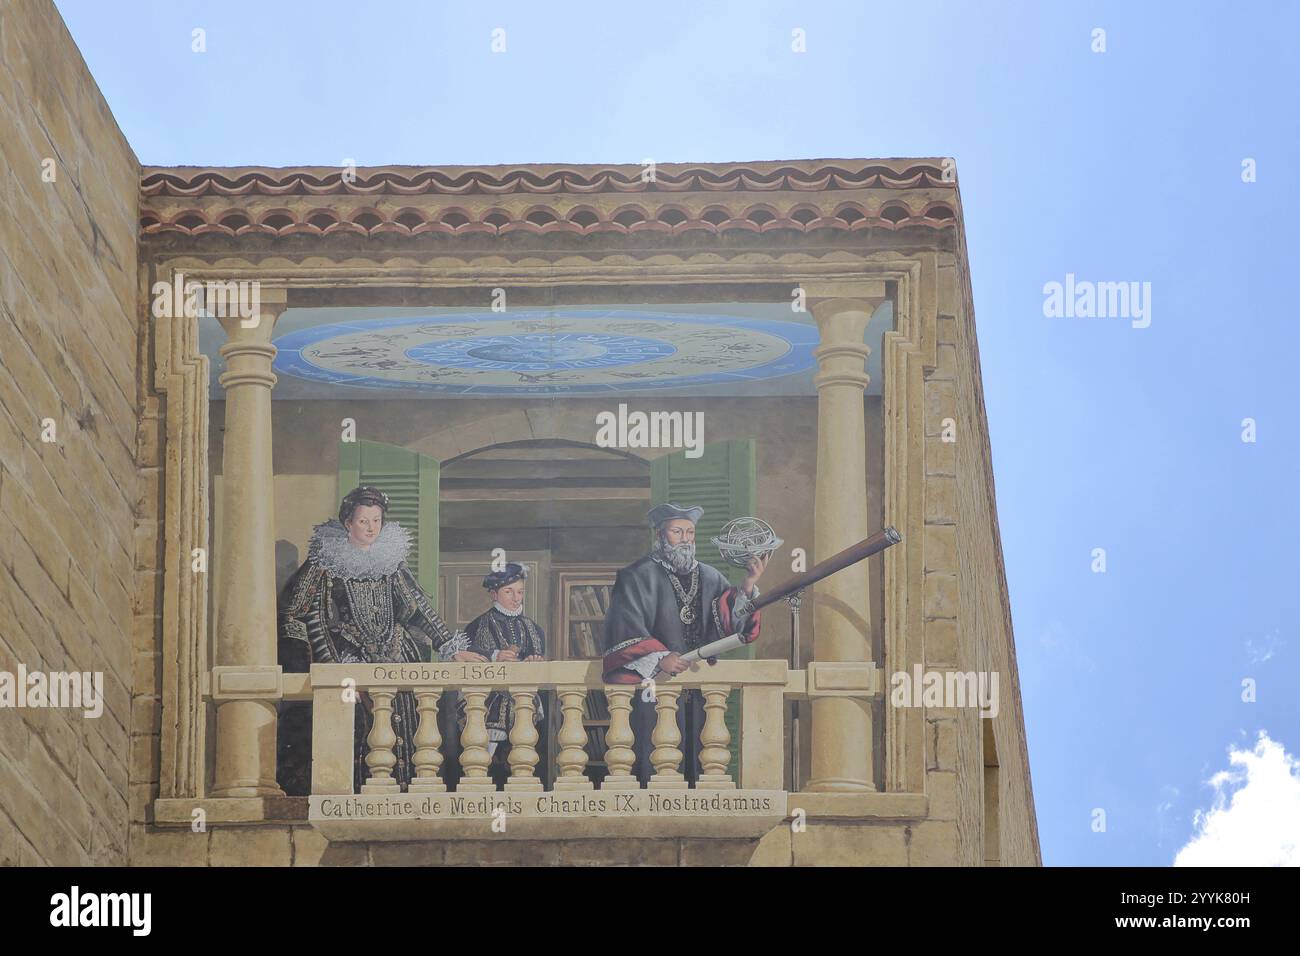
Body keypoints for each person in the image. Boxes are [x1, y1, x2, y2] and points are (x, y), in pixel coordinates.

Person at [276, 485, 486, 795]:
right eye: (363, 521)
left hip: (394, 659)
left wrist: (449, 646)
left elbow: (417, 608)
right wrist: (328, 666)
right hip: (347, 663)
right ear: (348, 523)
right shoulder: (324, 566)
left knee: (406, 726)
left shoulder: (391, 564)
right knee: (359, 730)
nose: (371, 527)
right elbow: (300, 615)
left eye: (376, 520)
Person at [600, 503, 767, 784]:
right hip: (653, 690)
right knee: (654, 765)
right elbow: (622, 628)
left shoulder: (711, 576)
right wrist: (659, 657)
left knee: (702, 762)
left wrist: (749, 585)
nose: (686, 538)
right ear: (660, 536)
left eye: (690, 532)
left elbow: (733, 627)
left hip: (700, 694)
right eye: (677, 531)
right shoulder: (635, 577)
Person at [457, 563, 546, 768]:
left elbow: (537, 655)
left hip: (522, 697)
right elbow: (467, 657)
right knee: (483, 753)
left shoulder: (534, 628)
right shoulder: (478, 625)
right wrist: (494, 656)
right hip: (489, 698)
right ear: (494, 594)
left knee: (524, 747)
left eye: (520, 592)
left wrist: (533, 661)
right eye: (509, 592)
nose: (516, 598)